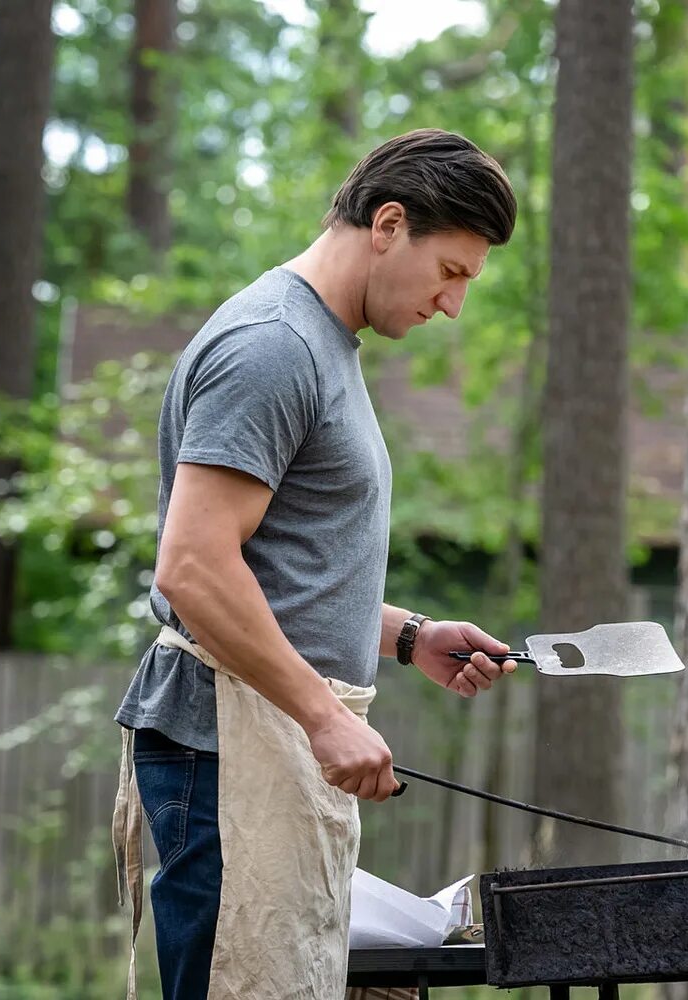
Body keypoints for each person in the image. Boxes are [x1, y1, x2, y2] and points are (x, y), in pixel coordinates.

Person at [109, 128, 523, 1000]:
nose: (453, 305)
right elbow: (191, 567)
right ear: (388, 224)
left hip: (269, 746)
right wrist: (323, 718)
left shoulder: (325, 346)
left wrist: (409, 636)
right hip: (226, 751)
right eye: (450, 271)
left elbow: (272, 574)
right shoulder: (273, 346)